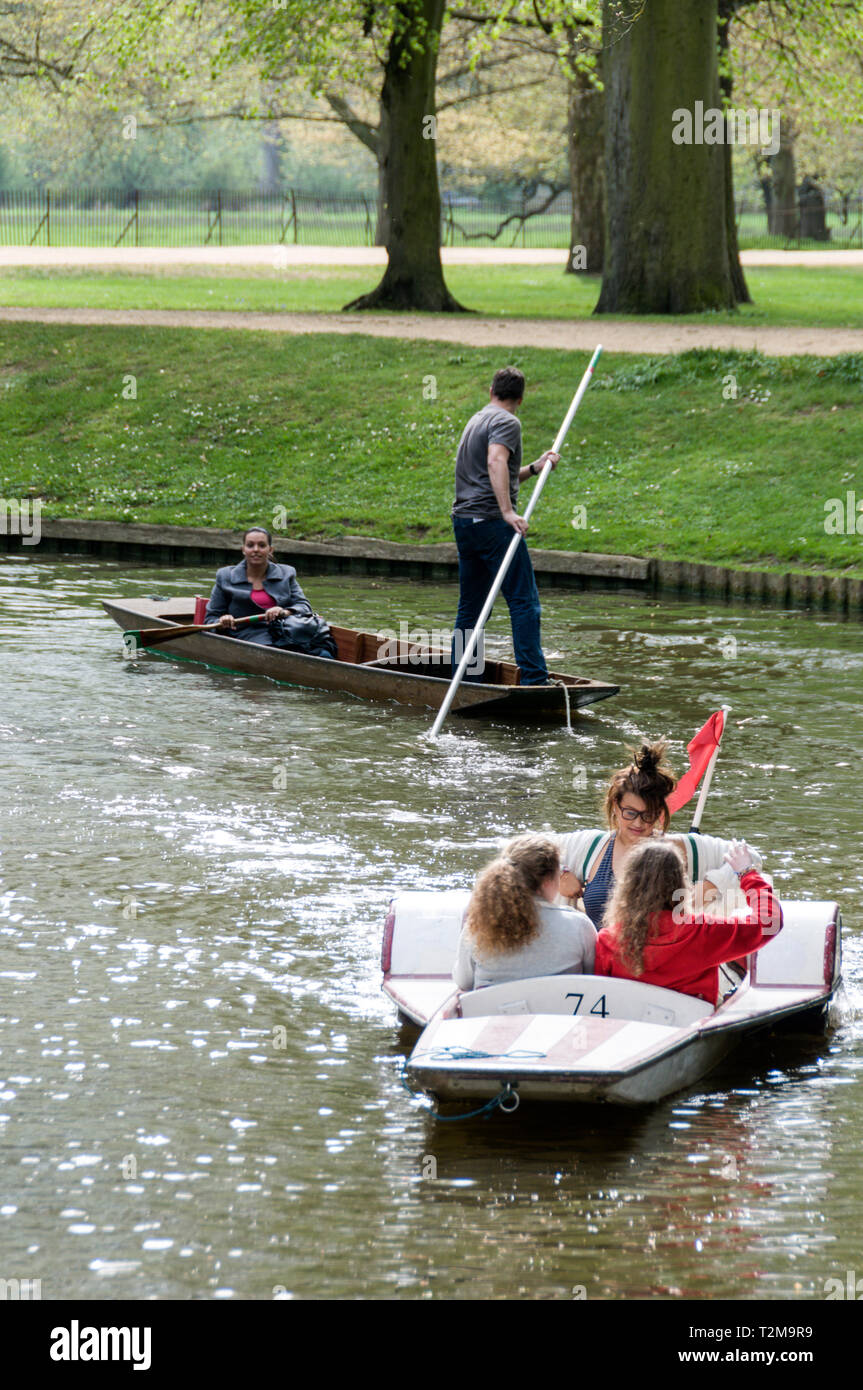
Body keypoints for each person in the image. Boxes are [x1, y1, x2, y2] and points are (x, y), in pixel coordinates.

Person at [553, 741, 765, 928]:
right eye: (630, 813)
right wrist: (560, 874)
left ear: (659, 814)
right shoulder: (590, 846)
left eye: (648, 815)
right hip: (599, 967)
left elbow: (751, 856)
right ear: (616, 807)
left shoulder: (680, 848)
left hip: (662, 967)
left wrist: (711, 886)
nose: (638, 823)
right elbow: (524, 851)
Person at [451, 366, 560, 686]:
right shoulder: (507, 421)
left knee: (471, 605)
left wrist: (535, 468)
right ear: (521, 399)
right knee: (524, 601)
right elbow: (496, 462)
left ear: (491, 392)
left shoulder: (478, 419)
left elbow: (501, 474)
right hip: (492, 524)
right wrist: (508, 512)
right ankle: (535, 679)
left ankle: (465, 675)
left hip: (466, 523)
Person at [594, 839, 782, 1005]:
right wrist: (747, 873)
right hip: (689, 1025)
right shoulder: (702, 931)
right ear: (680, 883)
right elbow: (769, 922)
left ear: (628, 886)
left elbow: (600, 998)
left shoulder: (607, 940)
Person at [453, 834, 596, 991]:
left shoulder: (479, 924)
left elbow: (464, 981)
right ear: (548, 880)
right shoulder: (579, 926)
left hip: (491, 1012)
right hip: (557, 1013)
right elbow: (590, 980)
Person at [205, 527, 334, 656]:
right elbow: (210, 619)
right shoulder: (225, 576)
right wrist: (223, 621)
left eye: (261, 545)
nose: (256, 550)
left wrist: (283, 612)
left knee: (324, 653)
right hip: (249, 635)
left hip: (287, 631)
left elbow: (304, 607)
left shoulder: (286, 574)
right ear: (243, 550)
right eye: (250, 545)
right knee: (279, 653)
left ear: (270, 550)